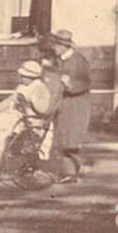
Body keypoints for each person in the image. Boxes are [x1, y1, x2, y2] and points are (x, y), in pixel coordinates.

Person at [48, 29, 91, 181]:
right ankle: (72, 169)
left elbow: (84, 83)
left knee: (69, 138)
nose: (53, 48)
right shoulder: (59, 60)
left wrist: (69, 84)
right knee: (63, 136)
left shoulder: (78, 61)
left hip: (76, 104)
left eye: (55, 45)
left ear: (63, 46)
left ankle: (71, 173)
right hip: (64, 102)